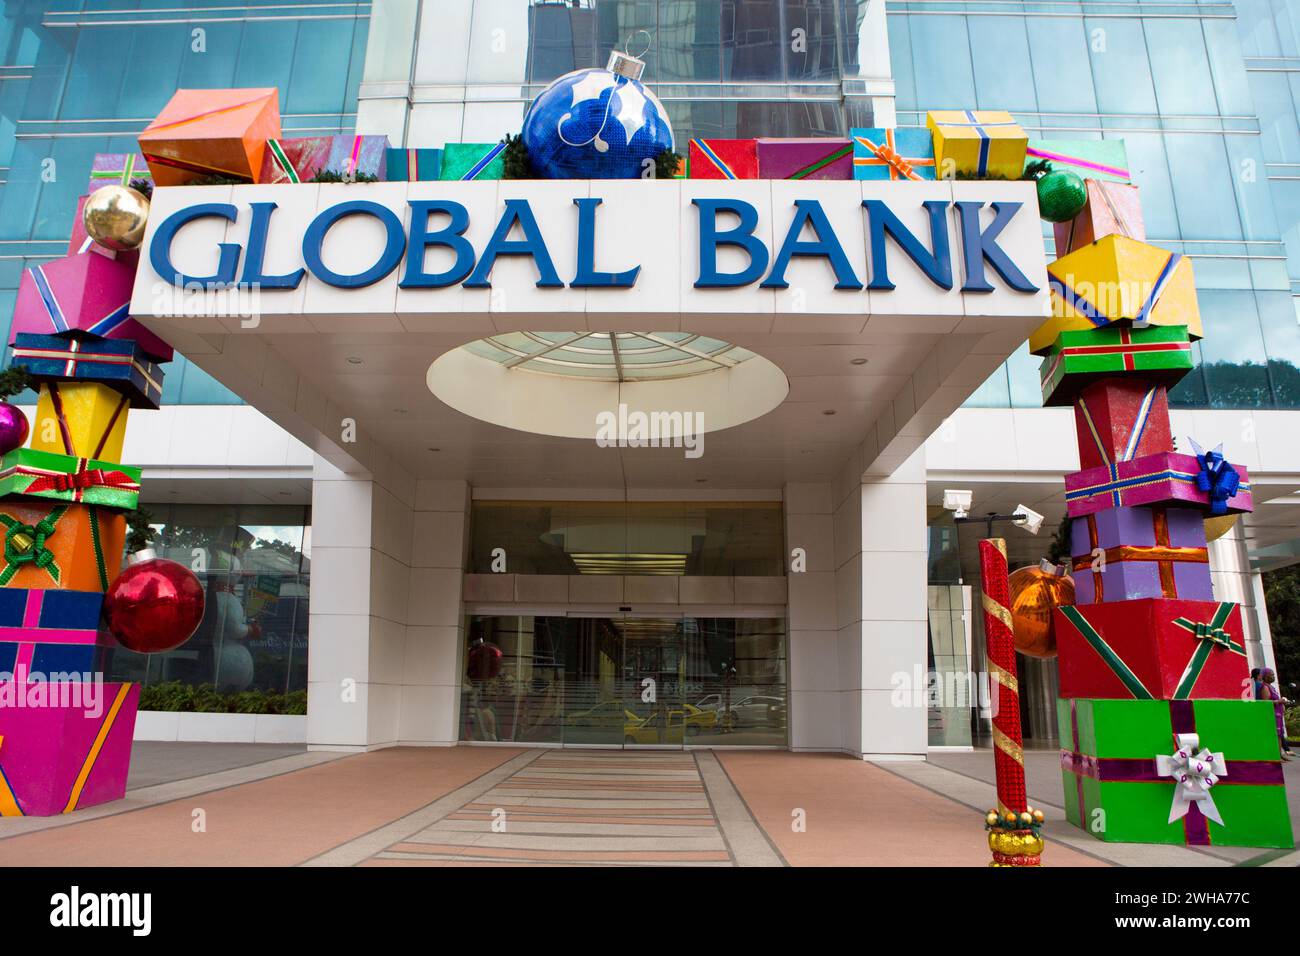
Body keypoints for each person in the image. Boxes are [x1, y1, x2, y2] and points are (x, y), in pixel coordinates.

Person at [1257, 668, 1292, 760]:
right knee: (1275, 735)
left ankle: (1279, 754)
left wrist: (1282, 704)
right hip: (1272, 716)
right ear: (1265, 676)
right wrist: (1279, 701)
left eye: (1273, 675)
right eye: (1271, 675)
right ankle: (1275, 756)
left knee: (1279, 735)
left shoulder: (1272, 687)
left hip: (1278, 716)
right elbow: (1266, 702)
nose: (1273, 676)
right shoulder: (1265, 687)